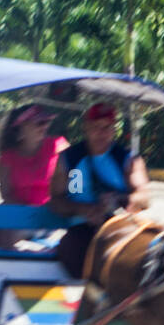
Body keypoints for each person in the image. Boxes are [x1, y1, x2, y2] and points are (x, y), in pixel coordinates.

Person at [48, 103, 149, 277]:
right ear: (85, 128)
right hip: (81, 231)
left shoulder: (127, 160)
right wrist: (83, 210)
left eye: (107, 127)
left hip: (119, 228)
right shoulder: (69, 159)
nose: (101, 133)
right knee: (75, 254)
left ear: (114, 128)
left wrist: (119, 200)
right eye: (95, 127)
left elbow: (144, 198)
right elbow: (56, 201)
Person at [0, 104, 68, 206]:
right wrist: (30, 210)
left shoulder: (58, 145)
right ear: (22, 127)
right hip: (19, 215)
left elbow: (77, 174)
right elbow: (6, 195)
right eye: (40, 122)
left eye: (47, 121)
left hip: (54, 213)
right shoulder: (7, 157)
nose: (45, 126)